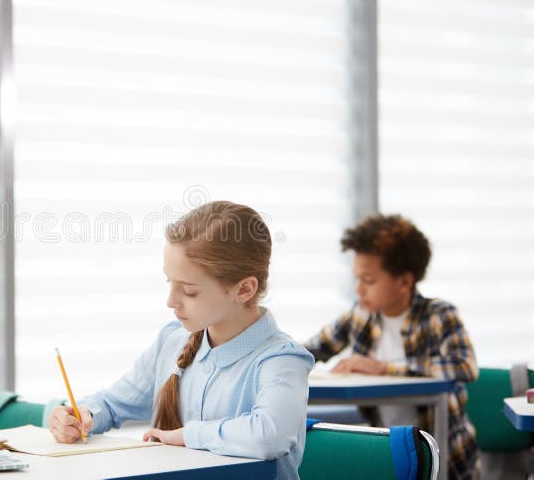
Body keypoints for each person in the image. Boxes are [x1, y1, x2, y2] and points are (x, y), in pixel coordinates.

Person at [48, 201, 314, 479]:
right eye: (170, 283)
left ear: (244, 289)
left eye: (189, 291)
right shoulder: (172, 341)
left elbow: (269, 435)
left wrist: (188, 435)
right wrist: (82, 415)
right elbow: (114, 402)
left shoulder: (282, 359)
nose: (171, 301)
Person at [304, 213, 478, 480]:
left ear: (405, 281)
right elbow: (311, 350)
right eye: (357, 278)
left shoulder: (440, 315)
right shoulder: (360, 316)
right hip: (394, 456)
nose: (359, 289)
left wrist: (384, 368)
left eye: (369, 280)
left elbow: (464, 367)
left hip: (447, 459)